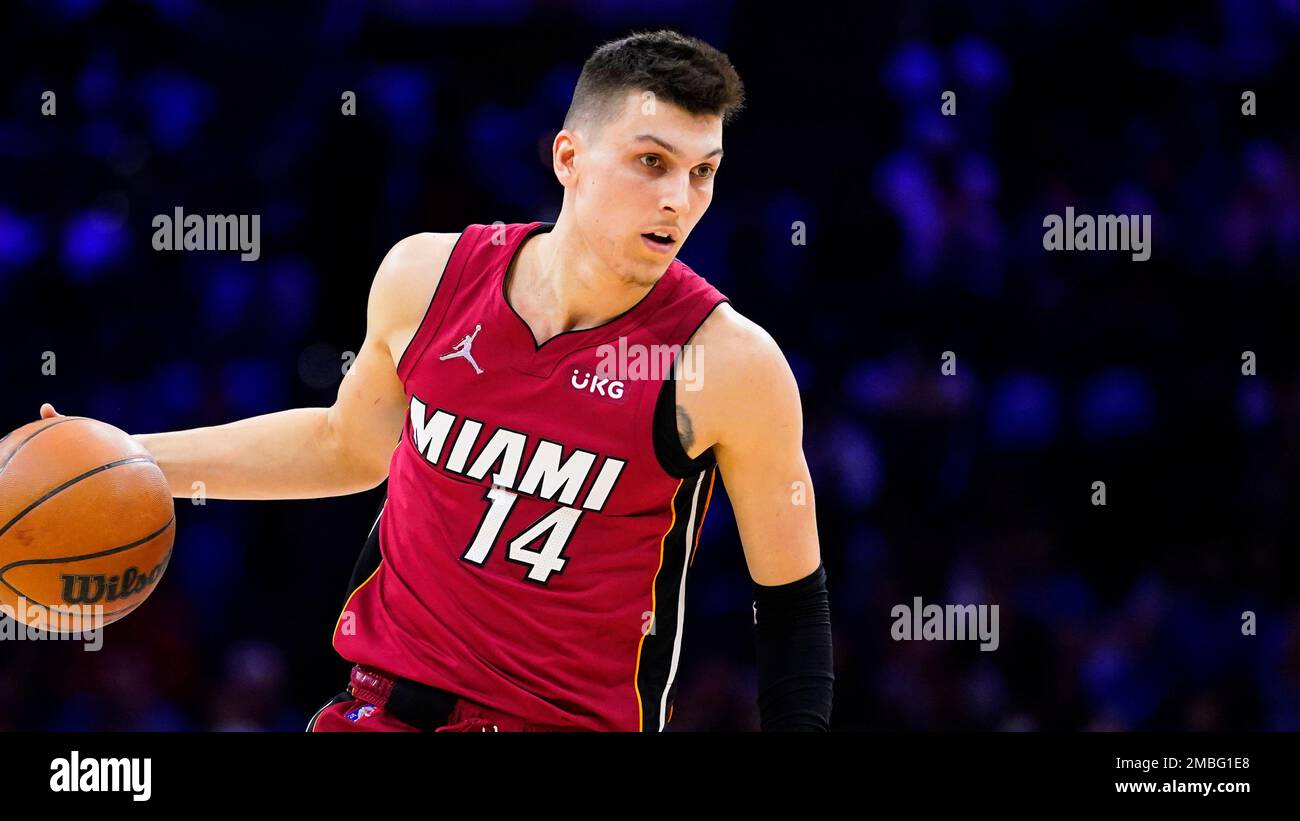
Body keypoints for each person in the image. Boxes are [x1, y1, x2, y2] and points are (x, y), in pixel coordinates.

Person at [41, 29, 833, 732]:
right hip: (375, 709)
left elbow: (793, 603)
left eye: (703, 172)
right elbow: (342, 444)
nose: (677, 198)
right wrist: (119, 456)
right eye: (652, 162)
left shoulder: (727, 363)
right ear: (569, 158)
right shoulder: (426, 276)